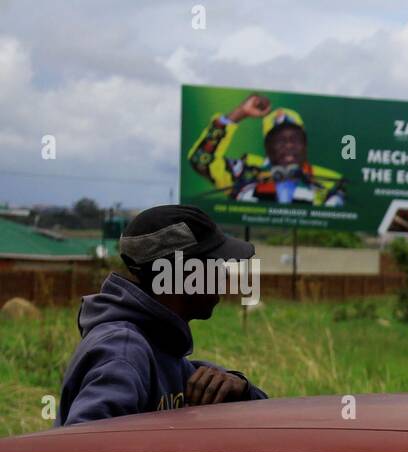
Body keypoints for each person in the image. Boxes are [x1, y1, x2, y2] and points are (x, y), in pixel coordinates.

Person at [57, 204, 268, 426]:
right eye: (217, 263)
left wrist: (241, 388)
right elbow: (85, 451)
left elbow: (263, 412)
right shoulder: (123, 352)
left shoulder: (165, 350)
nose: (224, 275)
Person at [187, 93, 345, 206]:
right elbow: (201, 159)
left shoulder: (331, 182)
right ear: (267, 146)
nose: (288, 145)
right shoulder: (243, 172)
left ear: (305, 144)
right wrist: (240, 113)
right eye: (279, 140)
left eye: (294, 139)